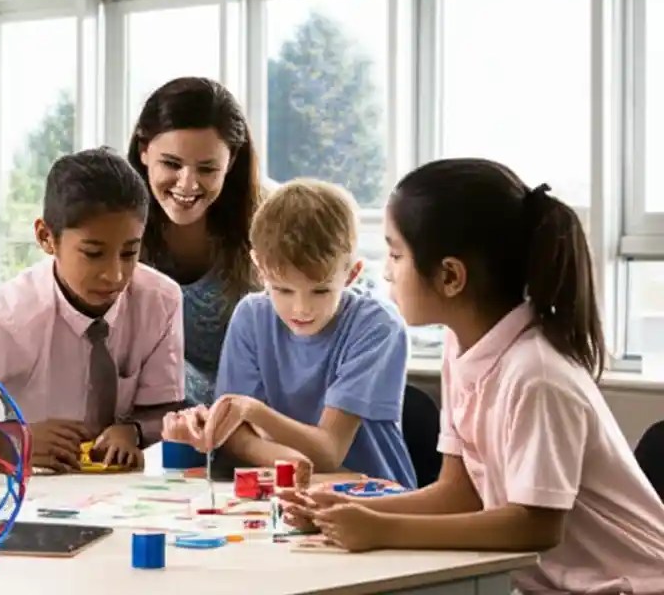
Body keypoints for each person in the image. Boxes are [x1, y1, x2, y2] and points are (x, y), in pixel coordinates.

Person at [281, 159, 664, 594]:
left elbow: (535, 526)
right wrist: (349, 509)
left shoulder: (535, 374)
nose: (385, 271)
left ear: (449, 276)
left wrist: (381, 528)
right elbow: (458, 492)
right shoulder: (461, 346)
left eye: (395, 254)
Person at [162, 179, 417, 488]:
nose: (301, 309)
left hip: (374, 501)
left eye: (320, 291)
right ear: (259, 269)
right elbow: (234, 436)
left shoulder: (377, 326)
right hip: (288, 493)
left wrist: (254, 413)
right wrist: (286, 461)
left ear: (351, 274)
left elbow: (328, 453)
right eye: (282, 289)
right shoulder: (251, 316)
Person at [0, 148, 184, 472]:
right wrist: (16, 441)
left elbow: (167, 409)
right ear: (46, 237)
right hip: (37, 483)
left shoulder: (161, 301)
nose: (115, 275)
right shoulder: (13, 316)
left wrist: (131, 431)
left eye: (130, 252)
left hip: (119, 486)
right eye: (93, 253)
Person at [128, 77, 263, 407]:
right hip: (145, 430)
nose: (187, 184)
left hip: (253, 419)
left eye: (207, 169)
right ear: (145, 151)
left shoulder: (265, 224)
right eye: (171, 164)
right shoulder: (114, 225)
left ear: (230, 163)